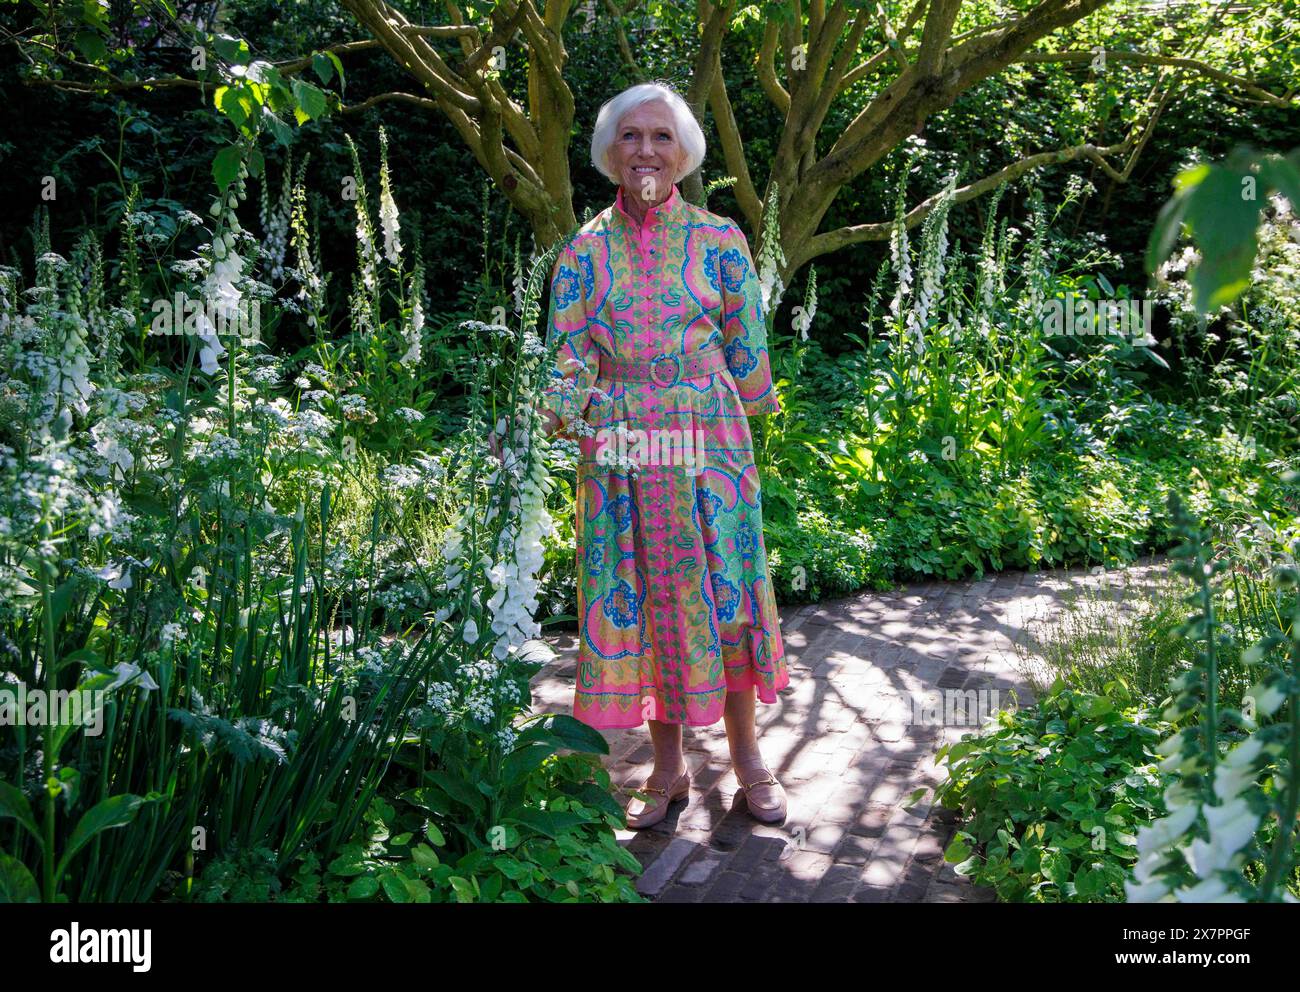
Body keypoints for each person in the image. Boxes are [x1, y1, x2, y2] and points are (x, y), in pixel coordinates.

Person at [492, 81, 789, 830]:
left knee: (725, 592)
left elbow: (746, 348)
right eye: (631, 136)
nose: (646, 149)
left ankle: (749, 756)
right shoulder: (585, 249)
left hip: (710, 443)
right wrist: (536, 428)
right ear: (610, 151)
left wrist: (750, 413)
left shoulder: (722, 241)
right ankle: (668, 767)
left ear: (684, 150)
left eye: (661, 136)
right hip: (621, 448)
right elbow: (570, 354)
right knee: (652, 598)